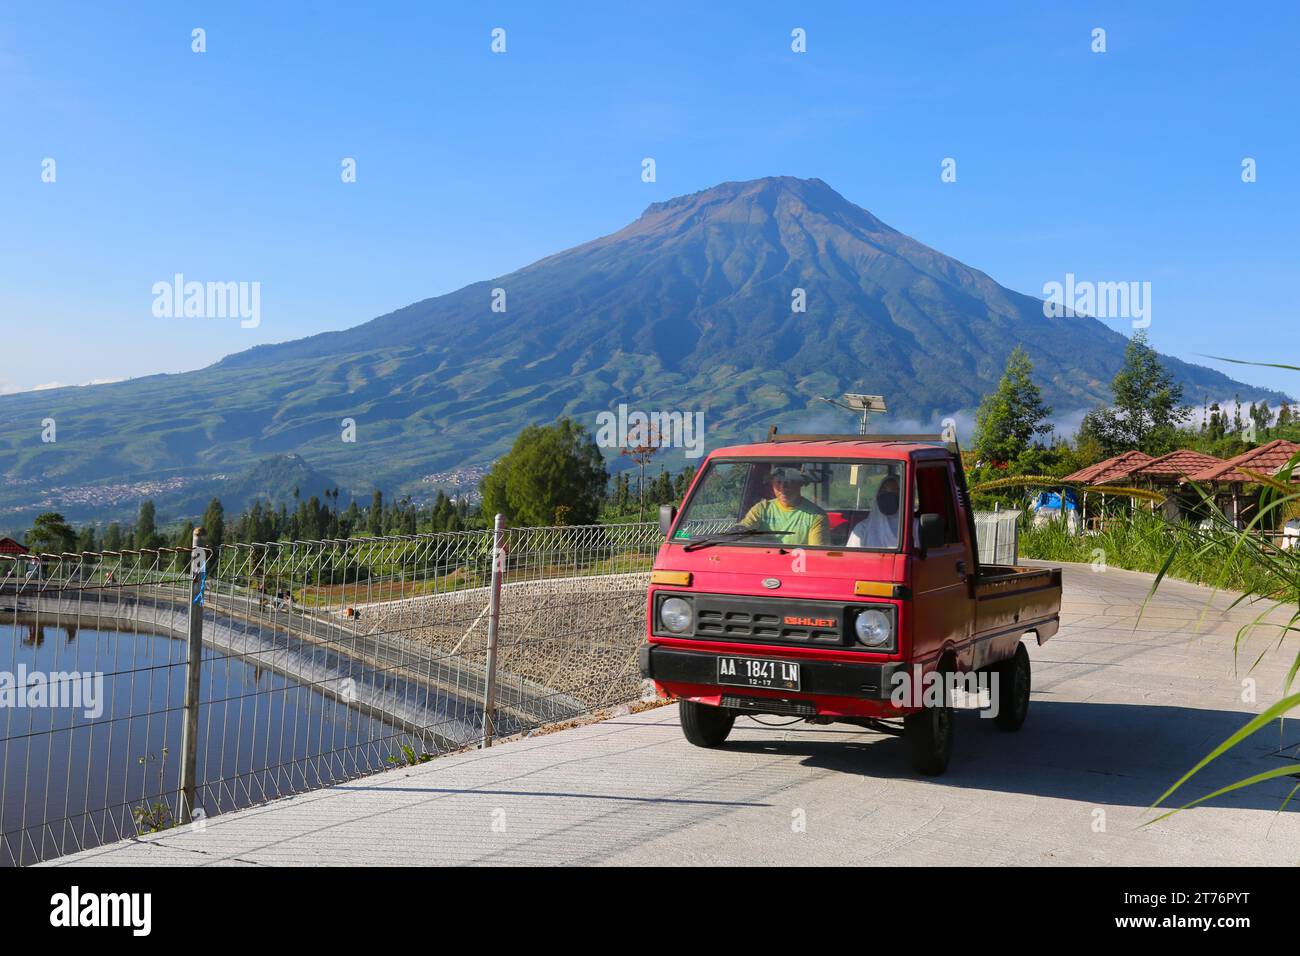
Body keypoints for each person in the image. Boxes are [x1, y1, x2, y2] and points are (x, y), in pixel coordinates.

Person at [739, 466, 828, 546]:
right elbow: (742, 531)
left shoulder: (816, 516)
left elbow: (815, 555)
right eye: (778, 482)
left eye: (789, 482)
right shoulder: (761, 509)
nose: (783, 488)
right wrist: (738, 531)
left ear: (800, 483)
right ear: (772, 484)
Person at [847, 474, 903, 549]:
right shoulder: (862, 529)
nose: (888, 495)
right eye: (884, 491)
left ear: (903, 494)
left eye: (895, 490)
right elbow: (852, 557)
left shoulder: (914, 528)